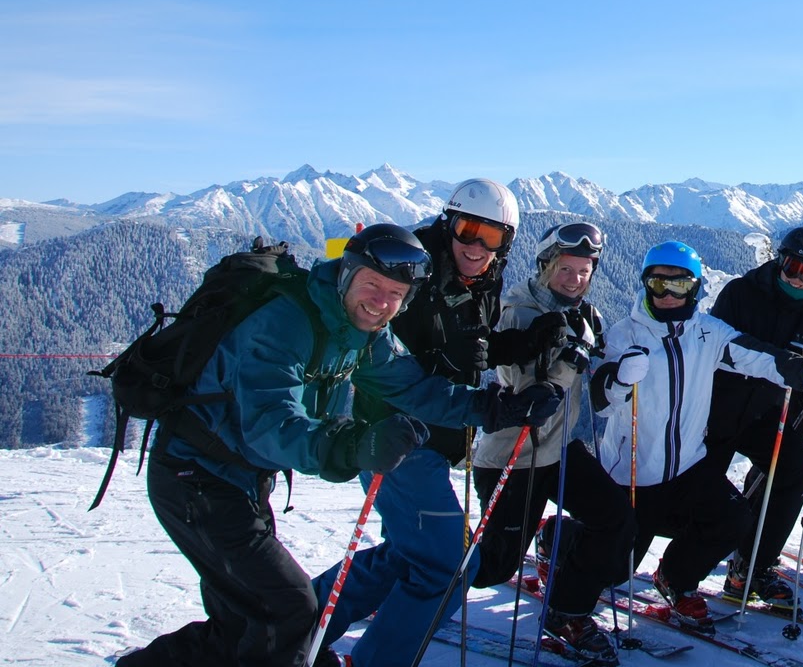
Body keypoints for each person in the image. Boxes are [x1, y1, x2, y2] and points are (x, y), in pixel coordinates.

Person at [117, 223, 561, 667]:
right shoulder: (284, 324)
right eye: (373, 285)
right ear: (347, 274)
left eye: (396, 296)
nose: (382, 303)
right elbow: (274, 426)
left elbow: (416, 389)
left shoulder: (363, 329)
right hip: (195, 477)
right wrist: (357, 445)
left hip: (240, 479)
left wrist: (497, 409)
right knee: (288, 610)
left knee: (248, 621)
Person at [311, 180, 545, 667]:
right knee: (451, 564)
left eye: (492, 237)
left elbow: (469, 346)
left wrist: (522, 347)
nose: (476, 247)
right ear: (448, 223)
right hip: (395, 440)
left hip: (442, 439)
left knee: (407, 554)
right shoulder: (409, 270)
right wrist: (485, 406)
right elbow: (395, 369)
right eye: (467, 230)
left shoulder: (484, 276)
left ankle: (289, 625)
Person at [588, 241, 803, 625]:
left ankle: (677, 579)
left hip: (687, 464)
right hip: (634, 471)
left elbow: (760, 357)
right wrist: (616, 380)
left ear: (694, 289)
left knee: (731, 517)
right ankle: (557, 541)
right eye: (658, 284)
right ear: (644, 283)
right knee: (615, 571)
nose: (666, 295)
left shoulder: (707, 333)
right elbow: (601, 403)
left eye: (678, 286)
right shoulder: (624, 335)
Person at [470, 221, 635, 663]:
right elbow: (531, 395)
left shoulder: (577, 311)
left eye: (584, 272)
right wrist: (571, 359)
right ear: (546, 265)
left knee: (614, 518)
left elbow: (587, 361)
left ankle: (567, 610)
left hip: (558, 451)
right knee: (491, 568)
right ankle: (419, 560)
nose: (576, 279)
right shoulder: (519, 313)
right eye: (566, 269)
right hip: (515, 455)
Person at [705, 226, 803, 614]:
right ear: (779, 260)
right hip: (715, 411)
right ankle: (600, 548)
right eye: (794, 267)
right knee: (693, 495)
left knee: (796, 470)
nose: (799, 279)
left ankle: (751, 568)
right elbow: (720, 348)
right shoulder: (740, 294)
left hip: (762, 416)